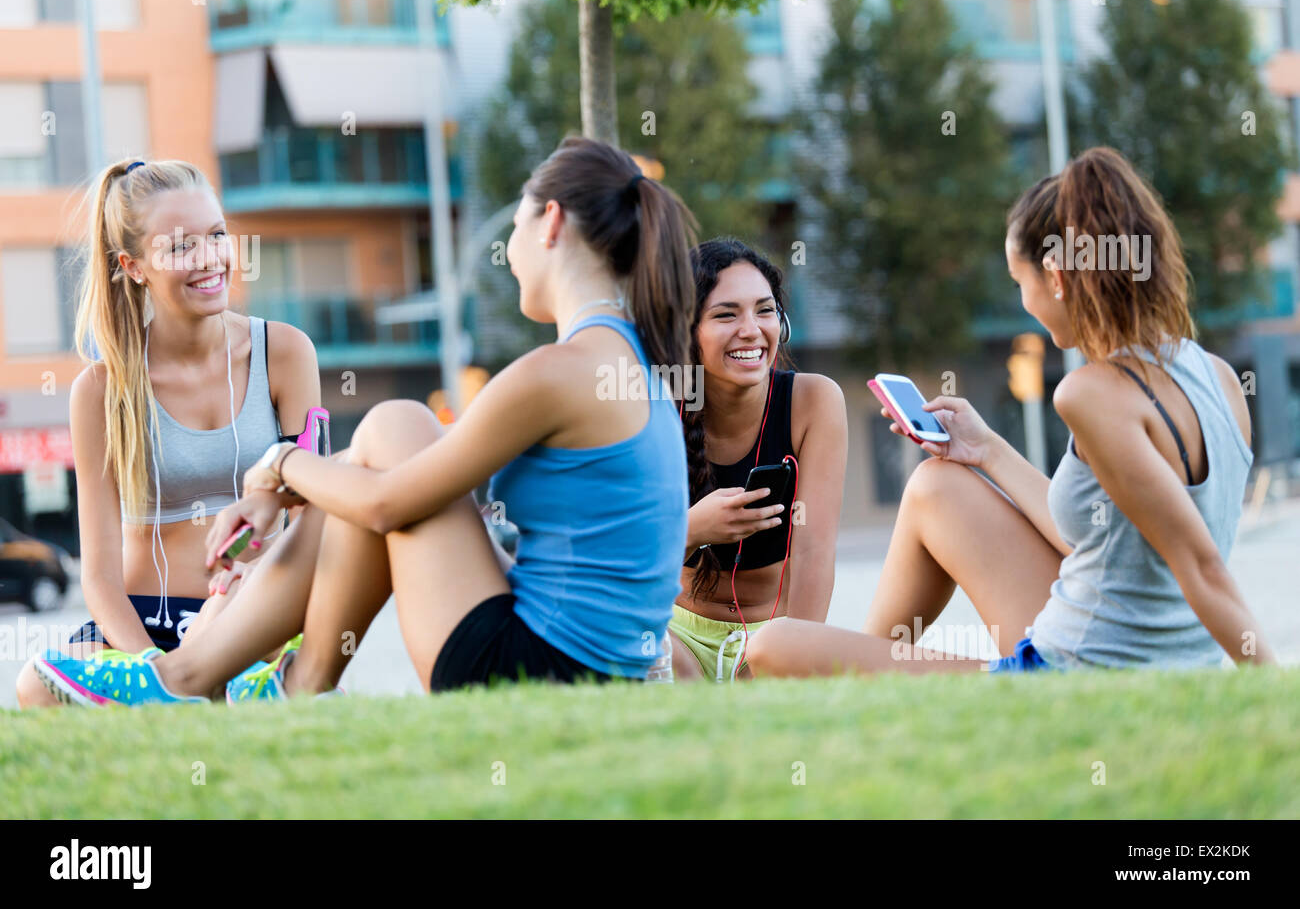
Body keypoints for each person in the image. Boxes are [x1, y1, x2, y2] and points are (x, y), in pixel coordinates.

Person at [33, 136, 697, 706]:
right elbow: (406, 492)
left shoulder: (558, 370)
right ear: (133, 268)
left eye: (518, 227)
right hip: (572, 658)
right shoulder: (623, 357)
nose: (511, 247)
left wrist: (282, 465)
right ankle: (290, 688)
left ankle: (211, 679)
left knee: (391, 427)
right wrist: (276, 489)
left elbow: (384, 504)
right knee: (387, 437)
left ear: (549, 223)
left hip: (529, 668)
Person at [744, 146, 1276, 678]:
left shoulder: (1090, 393)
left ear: (1058, 277)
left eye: (1021, 282)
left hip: (1073, 672)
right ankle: (864, 682)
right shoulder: (1218, 378)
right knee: (936, 487)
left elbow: (1201, 567)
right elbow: (1119, 540)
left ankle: (856, 682)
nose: (1025, 302)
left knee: (773, 646)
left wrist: (1273, 690)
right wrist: (987, 451)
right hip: (1148, 653)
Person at [17, 159, 320, 709]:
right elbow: (101, 577)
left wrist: (276, 625)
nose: (210, 260)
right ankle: (181, 687)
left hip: (255, 611)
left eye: (217, 236)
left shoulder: (286, 352)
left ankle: (227, 679)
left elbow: (313, 518)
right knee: (34, 688)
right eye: (181, 248)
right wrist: (148, 664)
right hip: (143, 626)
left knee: (239, 605)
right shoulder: (100, 391)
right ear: (133, 266)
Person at [670, 238, 847, 682]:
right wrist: (694, 529)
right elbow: (624, 560)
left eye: (764, 311)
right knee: (672, 669)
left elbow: (813, 554)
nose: (751, 329)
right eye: (726, 314)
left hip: (772, 636)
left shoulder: (814, 401)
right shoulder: (657, 409)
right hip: (675, 635)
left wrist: (792, 660)